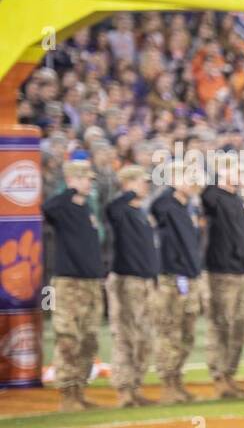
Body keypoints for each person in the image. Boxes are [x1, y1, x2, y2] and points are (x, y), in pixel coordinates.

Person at [42, 154, 105, 412]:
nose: (89, 184)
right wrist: (69, 189)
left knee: (88, 338)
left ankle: (79, 390)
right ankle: (67, 393)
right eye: (84, 178)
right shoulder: (63, 205)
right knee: (68, 337)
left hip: (90, 282)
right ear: (72, 179)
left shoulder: (86, 208)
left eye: (89, 179)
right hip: (69, 283)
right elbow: (48, 208)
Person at [104, 165, 159, 408]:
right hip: (126, 281)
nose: (146, 185)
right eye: (141, 181)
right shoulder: (121, 209)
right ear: (128, 183)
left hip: (146, 281)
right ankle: (124, 389)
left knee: (144, 337)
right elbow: (111, 209)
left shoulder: (140, 212)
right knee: (126, 336)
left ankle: (136, 386)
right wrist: (128, 192)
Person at [151, 161, 204, 403]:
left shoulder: (188, 208)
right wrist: (172, 189)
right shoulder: (166, 204)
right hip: (171, 278)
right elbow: (156, 206)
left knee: (186, 334)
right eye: (187, 177)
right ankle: (167, 383)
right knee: (169, 331)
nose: (193, 182)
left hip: (190, 277)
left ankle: (177, 379)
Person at [201, 164, 244, 397]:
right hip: (221, 271)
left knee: (237, 326)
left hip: (240, 270)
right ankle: (219, 376)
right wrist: (216, 182)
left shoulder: (238, 200)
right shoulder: (214, 196)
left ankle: (230, 374)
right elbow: (206, 197)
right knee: (221, 324)